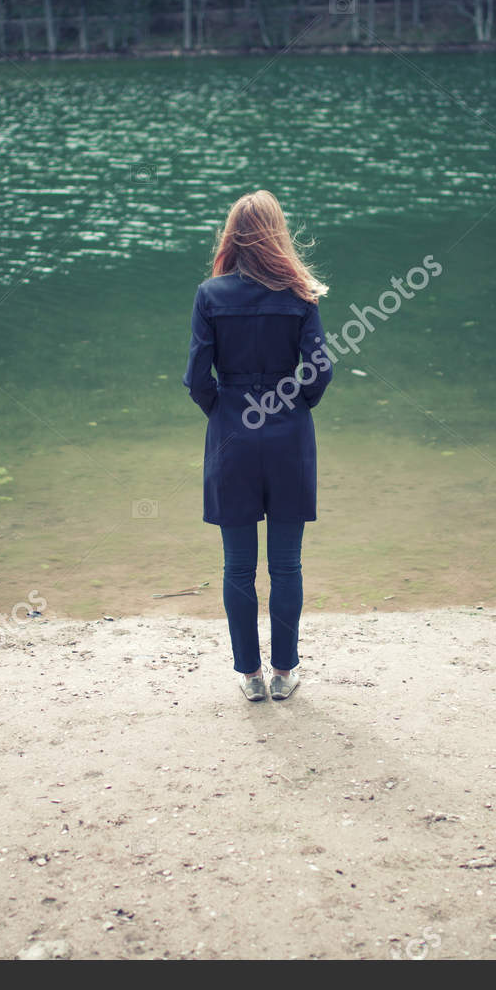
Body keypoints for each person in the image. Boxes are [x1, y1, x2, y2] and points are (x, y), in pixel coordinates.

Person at [183, 190, 333, 701]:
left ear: (232, 237)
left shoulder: (210, 295)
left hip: (232, 434)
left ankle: (249, 676)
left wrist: (224, 410)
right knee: (286, 564)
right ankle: (284, 672)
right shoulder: (300, 296)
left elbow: (196, 378)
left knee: (238, 566)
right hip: (289, 435)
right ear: (278, 235)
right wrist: (295, 405)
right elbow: (319, 371)